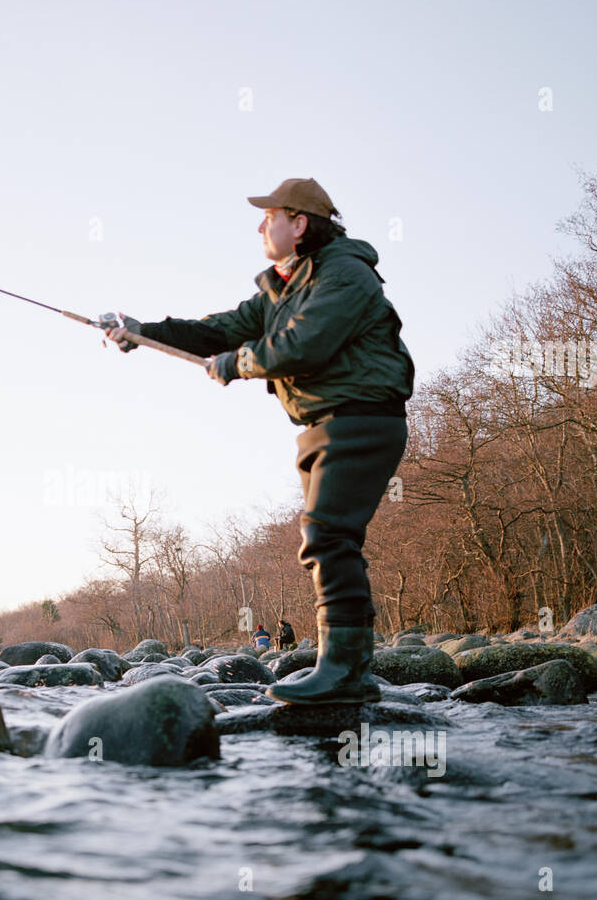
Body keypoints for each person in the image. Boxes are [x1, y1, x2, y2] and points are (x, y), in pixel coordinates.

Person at [101, 177, 413, 706]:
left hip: (362, 417)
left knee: (328, 534)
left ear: (300, 223)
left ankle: (346, 672)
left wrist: (237, 364)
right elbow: (219, 329)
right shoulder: (279, 288)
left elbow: (304, 344)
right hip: (322, 424)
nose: (260, 225)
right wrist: (140, 331)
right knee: (328, 539)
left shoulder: (346, 273)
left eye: (270, 215)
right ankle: (346, 667)